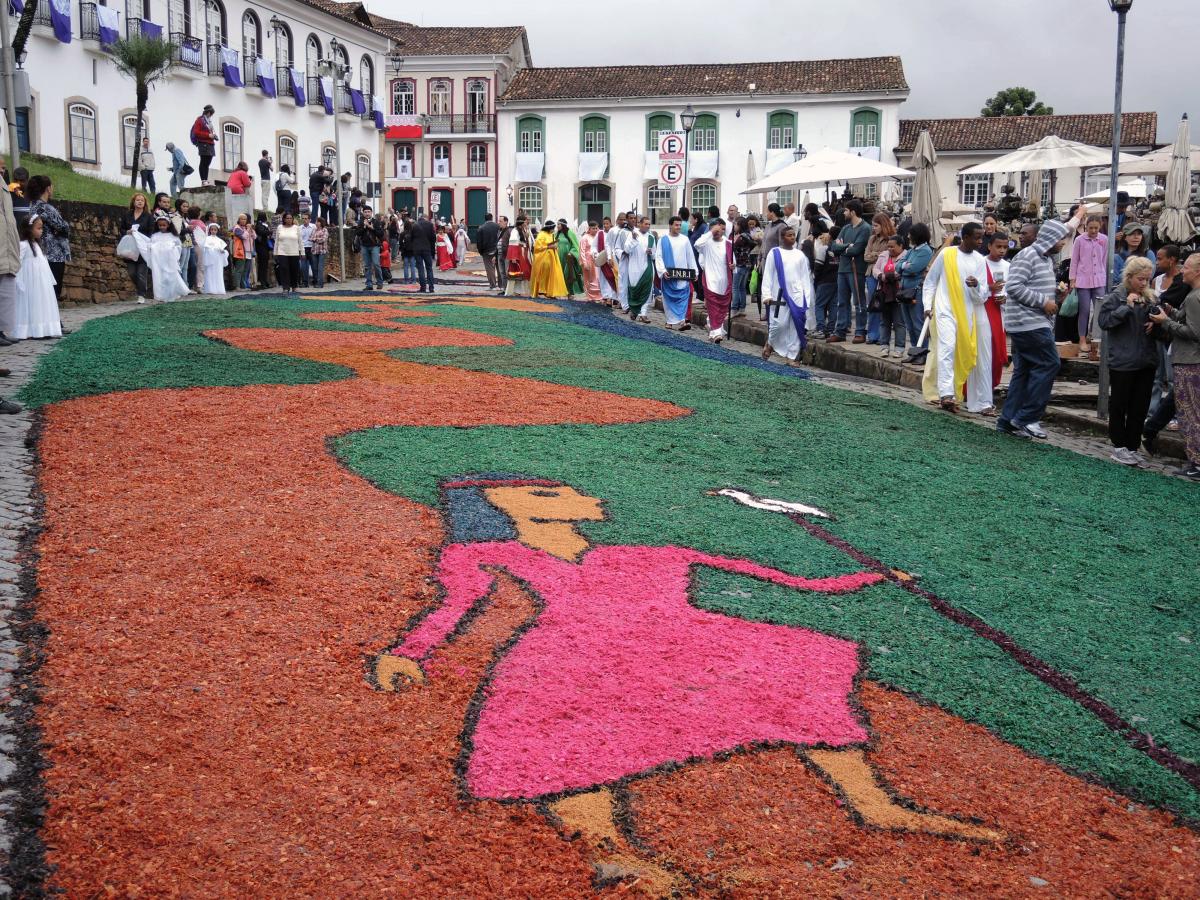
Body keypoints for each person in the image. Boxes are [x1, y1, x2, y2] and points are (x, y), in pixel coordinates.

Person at [372, 476, 996, 892]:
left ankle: (876, 805)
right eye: (547, 490)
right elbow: (456, 607)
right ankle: (608, 847)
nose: (575, 494)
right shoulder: (490, 556)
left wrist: (866, 579)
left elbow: (781, 581)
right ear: (506, 508)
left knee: (803, 664)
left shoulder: (650, 552)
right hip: (570, 650)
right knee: (554, 725)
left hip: (685, 641)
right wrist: (409, 652)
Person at [999, 211, 1083, 440]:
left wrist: (1055, 293)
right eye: (1060, 240)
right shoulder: (1028, 256)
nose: (1063, 243)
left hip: (1030, 322)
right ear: (1050, 239)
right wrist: (1044, 302)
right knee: (1049, 363)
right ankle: (1027, 417)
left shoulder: (1045, 259)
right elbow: (1014, 287)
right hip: (1028, 323)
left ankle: (1008, 420)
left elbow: (1031, 286)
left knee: (1024, 372)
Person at [1097, 256, 1159, 466]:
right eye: (1140, 279)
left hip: (1146, 360)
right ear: (1130, 277)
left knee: (1139, 407)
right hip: (1123, 361)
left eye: (1147, 279)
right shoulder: (1117, 296)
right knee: (1119, 405)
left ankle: (1132, 446)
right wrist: (1126, 307)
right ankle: (1119, 446)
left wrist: (1157, 325)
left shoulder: (1151, 298)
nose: (1144, 283)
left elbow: (1161, 327)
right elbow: (1104, 322)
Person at [921, 223, 989, 414]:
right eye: (977, 237)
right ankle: (946, 394)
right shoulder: (947, 254)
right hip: (944, 310)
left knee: (961, 352)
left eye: (981, 237)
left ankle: (953, 392)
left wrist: (975, 286)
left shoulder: (980, 261)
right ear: (965, 237)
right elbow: (930, 282)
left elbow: (982, 296)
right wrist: (927, 306)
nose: (980, 241)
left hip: (966, 314)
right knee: (947, 347)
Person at [1148, 252, 1200, 479]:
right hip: (1192, 359)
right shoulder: (1193, 296)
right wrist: (1171, 312)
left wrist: (1165, 322)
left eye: (1186, 267)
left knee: (1190, 415)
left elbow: (1194, 332)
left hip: (1190, 360)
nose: (1182, 271)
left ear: (1197, 272)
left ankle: (1197, 462)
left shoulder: (1193, 297)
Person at [760, 225, 813, 365]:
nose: (792, 237)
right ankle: (770, 343)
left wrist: (806, 298)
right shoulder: (774, 253)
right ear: (782, 238)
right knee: (779, 325)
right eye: (789, 235)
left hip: (796, 295)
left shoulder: (800, 255)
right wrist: (766, 294)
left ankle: (792, 356)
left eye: (793, 235)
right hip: (778, 295)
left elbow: (805, 278)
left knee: (795, 326)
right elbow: (768, 275)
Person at [12, 215, 62, 338]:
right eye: (38, 228)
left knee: (42, 303)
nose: (41, 231)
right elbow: (17, 262)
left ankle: (44, 329)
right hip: (30, 281)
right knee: (31, 304)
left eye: (42, 228)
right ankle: (29, 330)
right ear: (29, 229)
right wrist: (18, 280)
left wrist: (49, 280)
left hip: (41, 281)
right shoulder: (23, 245)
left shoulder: (38, 245)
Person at [830, 200, 871, 342]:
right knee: (842, 301)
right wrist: (847, 246)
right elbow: (834, 247)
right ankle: (840, 330)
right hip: (843, 269)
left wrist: (844, 248)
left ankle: (860, 331)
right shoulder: (846, 228)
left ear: (853, 212)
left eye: (846, 210)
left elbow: (857, 249)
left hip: (856, 269)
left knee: (859, 300)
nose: (844, 213)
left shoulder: (865, 228)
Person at [25, 175, 70, 304]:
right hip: (53, 255)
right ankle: (55, 322)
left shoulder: (32, 205)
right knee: (53, 290)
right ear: (48, 189)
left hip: (39, 252)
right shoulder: (46, 208)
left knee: (42, 291)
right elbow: (64, 227)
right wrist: (61, 228)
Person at [1068, 215, 1108, 357]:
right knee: (1084, 310)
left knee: (1099, 310)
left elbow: (1104, 259)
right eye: (1090, 228)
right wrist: (1072, 279)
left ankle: (1096, 338)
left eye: (1096, 228)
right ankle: (1082, 339)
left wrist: (1104, 276)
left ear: (1100, 226)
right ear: (1086, 227)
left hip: (1099, 278)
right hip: (1083, 279)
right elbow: (1074, 260)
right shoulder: (1079, 240)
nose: (1093, 230)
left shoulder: (1104, 239)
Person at [132, 213, 191, 302]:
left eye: (164, 225)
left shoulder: (173, 236)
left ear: (168, 225)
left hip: (169, 260)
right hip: (158, 261)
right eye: (160, 225)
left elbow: (178, 247)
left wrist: (172, 249)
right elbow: (150, 245)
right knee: (159, 277)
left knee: (170, 276)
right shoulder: (155, 236)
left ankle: (172, 293)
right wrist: (152, 247)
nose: (162, 227)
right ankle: (161, 295)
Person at [980, 232, 1010, 400]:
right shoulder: (980, 263)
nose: (1001, 250)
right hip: (984, 308)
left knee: (997, 350)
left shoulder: (1008, 267)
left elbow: (1011, 288)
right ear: (989, 246)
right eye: (998, 247)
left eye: (1005, 247)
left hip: (1000, 312)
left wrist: (1005, 298)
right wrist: (988, 289)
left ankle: (991, 384)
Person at [694, 218, 734, 342]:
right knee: (713, 306)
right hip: (710, 279)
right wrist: (711, 232)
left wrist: (733, 266)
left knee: (722, 307)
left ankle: (714, 331)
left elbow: (733, 262)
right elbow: (697, 244)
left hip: (724, 280)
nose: (719, 231)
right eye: (716, 229)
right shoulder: (706, 243)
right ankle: (717, 333)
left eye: (722, 229)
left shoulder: (728, 243)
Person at [655, 215, 698, 330]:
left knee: (683, 298)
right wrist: (663, 271)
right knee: (668, 299)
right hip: (669, 275)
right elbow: (658, 257)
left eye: (680, 225)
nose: (678, 227)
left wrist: (695, 272)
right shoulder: (663, 240)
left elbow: (690, 257)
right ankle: (669, 321)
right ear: (670, 226)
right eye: (676, 225)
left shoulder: (685, 239)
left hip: (683, 275)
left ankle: (682, 321)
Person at [863, 213, 895, 344]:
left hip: (885, 275)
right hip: (871, 273)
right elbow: (866, 256)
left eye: (876, 225)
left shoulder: (892, 239)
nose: (873, 228)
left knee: (885, 305)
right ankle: (872, 334)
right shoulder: (872, 239)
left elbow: (889, 255)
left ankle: (882, 336)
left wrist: (874, 255)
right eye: (873, 225)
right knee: (873, 304)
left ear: (883, 225)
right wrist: (879, 255)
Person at [873, 235, 905, 358]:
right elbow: (875, 269)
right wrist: (881, 275)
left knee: (899, 322)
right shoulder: (883, 255)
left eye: (893, 246)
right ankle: (884, 347)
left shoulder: (906, 256)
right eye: (889, 246)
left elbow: (905, 270)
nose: (890, 249)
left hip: (899, 293)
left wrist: (893, 275)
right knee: (884, 321)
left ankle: (899, 348)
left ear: (901, 246)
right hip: (884, 292)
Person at [119, 193, 154, 303]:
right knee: (132, 272)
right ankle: (141, 288)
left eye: (142, 200)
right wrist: (127, 232)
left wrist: (144, 240)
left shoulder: (148, 216)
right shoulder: (127, 215)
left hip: (143, 248)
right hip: (130, 248)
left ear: (144, 203)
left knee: (141, 272)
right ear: (133, 202)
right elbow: (121, 229)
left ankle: (141, 295)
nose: (139, 202)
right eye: (137, 200)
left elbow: (151, 232)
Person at [621, 216, 656, 322]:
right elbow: (627, 250)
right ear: (640, 224)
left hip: (647, 267)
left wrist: (651, 253)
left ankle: (643, 314)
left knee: (647, 290)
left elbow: (655, 254)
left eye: (649, 224)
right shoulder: (632, 235)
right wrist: (634, 239)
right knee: (635, 290)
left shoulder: (651, 237)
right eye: (646, 224)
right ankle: (635, 311)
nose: (648, 226)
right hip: (634, 267)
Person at [808, 222, 839, 339]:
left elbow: (818, 266)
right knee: (833, 306)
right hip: (836, 281)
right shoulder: (839, 250)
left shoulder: (823, 249)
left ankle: (820, 329)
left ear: (830, 235)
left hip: (824, 281)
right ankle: (831, 330)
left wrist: (815, 278)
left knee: (819, 305)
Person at [531, 220, 567, 300]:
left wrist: (555, 246)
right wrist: (548, 247)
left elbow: (551, 244)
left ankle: (549, 292)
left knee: (551, 275)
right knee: (545, 274)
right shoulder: (541, 235)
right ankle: (542, 291)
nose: (554, 230)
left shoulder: (551, 234)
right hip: (544, 258)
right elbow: (537, 247)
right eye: (553, 228)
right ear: (549, 228)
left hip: (552, 258)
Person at [731, 216, 756, 320]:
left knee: (735, 287)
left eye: (736, 224)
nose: (734, 226)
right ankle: (742, 309)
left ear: (740, 225)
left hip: (739, 265)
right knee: (742, 287)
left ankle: (735, 309)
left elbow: (733, 248)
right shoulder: (748, 235)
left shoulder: (741, 237)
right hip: (747, 264)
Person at [273, 212, 302, 293]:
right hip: (282, 252)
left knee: (294, 270)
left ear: (292, 219)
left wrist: (302, 252)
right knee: (284, 269)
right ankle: (285, 287)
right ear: (284, 219)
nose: (289, 220)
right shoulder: (280, 227)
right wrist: (275, 252)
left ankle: (294, 286)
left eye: (290, 218)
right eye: (287, 218)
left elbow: (300, 241)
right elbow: (276, 241)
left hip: (294, 252)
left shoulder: (296, 228)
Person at [357, 207, 385, 291]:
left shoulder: (376, 222)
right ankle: (369, 284)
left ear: (371, 213)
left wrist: (372, 228)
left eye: (368, 212)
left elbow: (381, 234)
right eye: (365, 212)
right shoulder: (361, 222)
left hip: (374, 245)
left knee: (376, 264)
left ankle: (380, 282)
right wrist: (365, 227)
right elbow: (358, 233)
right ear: (363, 213)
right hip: (364, 246)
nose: (367, 213)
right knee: (367, 266)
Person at [503, 217, 532, 298]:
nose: (527, 224)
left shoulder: (524, 230)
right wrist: (513, 257)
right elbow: (512, 244)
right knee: (514, 273)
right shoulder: (515, 231)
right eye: (525, 222)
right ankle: (511, 291)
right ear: (522, 224)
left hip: (524, 253)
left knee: (524, 272)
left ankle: (521, 291)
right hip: (517, 254)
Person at [170, 198, 195, 291]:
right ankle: (179, 286)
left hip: (187, 240)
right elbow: (177, 231)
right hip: (181, 241)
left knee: (185, 265)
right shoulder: (176, 216)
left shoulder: (185, 216)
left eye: (187, 206)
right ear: (179, 206)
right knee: (181, 265)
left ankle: (185, 286)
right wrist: (189, 229)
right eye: (183, 206)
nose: (186, 208)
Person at [190, 105, 217, 185]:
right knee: (203, 162)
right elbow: (196, 132)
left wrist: (214, 136)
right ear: (208, 113)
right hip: (203, 144)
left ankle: (206, 179)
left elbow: (210, 131)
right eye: (211, 114)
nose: (211, 116)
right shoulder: (199, 120)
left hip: (210, 144)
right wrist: (208, 135)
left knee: (208, 162)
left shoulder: (209, 121)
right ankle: (203, 179)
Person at [555, 219, 583, 298]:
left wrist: (571, 252)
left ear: (563, 225)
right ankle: (559, 292)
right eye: (557, 224)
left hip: (567, 258)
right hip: (558, 258)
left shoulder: (570, 233)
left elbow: (575, 245)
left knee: (568, 274)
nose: (557, 226)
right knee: (559, 274)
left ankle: (570, 293)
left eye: (559, 224)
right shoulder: (556, 234)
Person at [200, 222, 228, 295]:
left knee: (218, 273)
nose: (213, 231)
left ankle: (219, 289)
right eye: (212, 229)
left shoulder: (219, 240)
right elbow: (205, 248)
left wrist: (223, 252)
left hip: (217, 260)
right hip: (210, 259)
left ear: (217, 230)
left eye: (215, 230)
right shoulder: (207, 239)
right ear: (209, 230)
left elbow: (223, 249)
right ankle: (210, 289)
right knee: (210, 273)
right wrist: (213, 250)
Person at [411, 213, 437, 294]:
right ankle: (431, 287)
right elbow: (433, 238)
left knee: (420, 268)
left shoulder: (415, 225)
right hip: (427, 249)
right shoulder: (430, 225)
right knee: (429, 268)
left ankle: (423, 287)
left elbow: (411, 237)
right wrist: (432, 250)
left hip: (417, 250)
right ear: (426, 218)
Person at [475, 213, 500, 290]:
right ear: (492, 218)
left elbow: (479, 242)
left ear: (485, 219)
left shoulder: (481, 228)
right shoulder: (498, 226)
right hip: (497, 249)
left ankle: (493, 285)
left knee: (489, 269)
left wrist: (480, 251)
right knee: (499, 268)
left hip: (486, 251)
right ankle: (501, 285)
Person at [230, 214, 254, 291]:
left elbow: (254, 237)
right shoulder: (237, 228)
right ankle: (237, 286)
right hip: (239, 251)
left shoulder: (244, 228)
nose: (244, 221)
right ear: (239, 220)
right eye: (242, 219)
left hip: (245, 251)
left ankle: (242, 286)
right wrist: (248, 230)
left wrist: (251, 230)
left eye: (245, 219)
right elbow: (244, 236)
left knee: (244, 269)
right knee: (239, 269)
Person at [580, 221, 602, 301]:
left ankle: (598, 296)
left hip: (596, 260)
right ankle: (589, 296)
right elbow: (582, 251)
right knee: (588, 279)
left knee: (596, 278)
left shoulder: (598, 237)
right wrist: (585, 263)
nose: (595, 230)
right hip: (587, 260)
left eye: (596, 228)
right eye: (593, 228)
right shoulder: (585, 237)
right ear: (589, 229)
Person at [253, 212, 272, 289]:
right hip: (261, 247)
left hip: (264, 247)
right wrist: (269, 232)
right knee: (262, 265)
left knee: (265, 265)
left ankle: (265, 281)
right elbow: (261, 232)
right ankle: (262, 282)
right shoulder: (259, 225)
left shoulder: (262, 224)